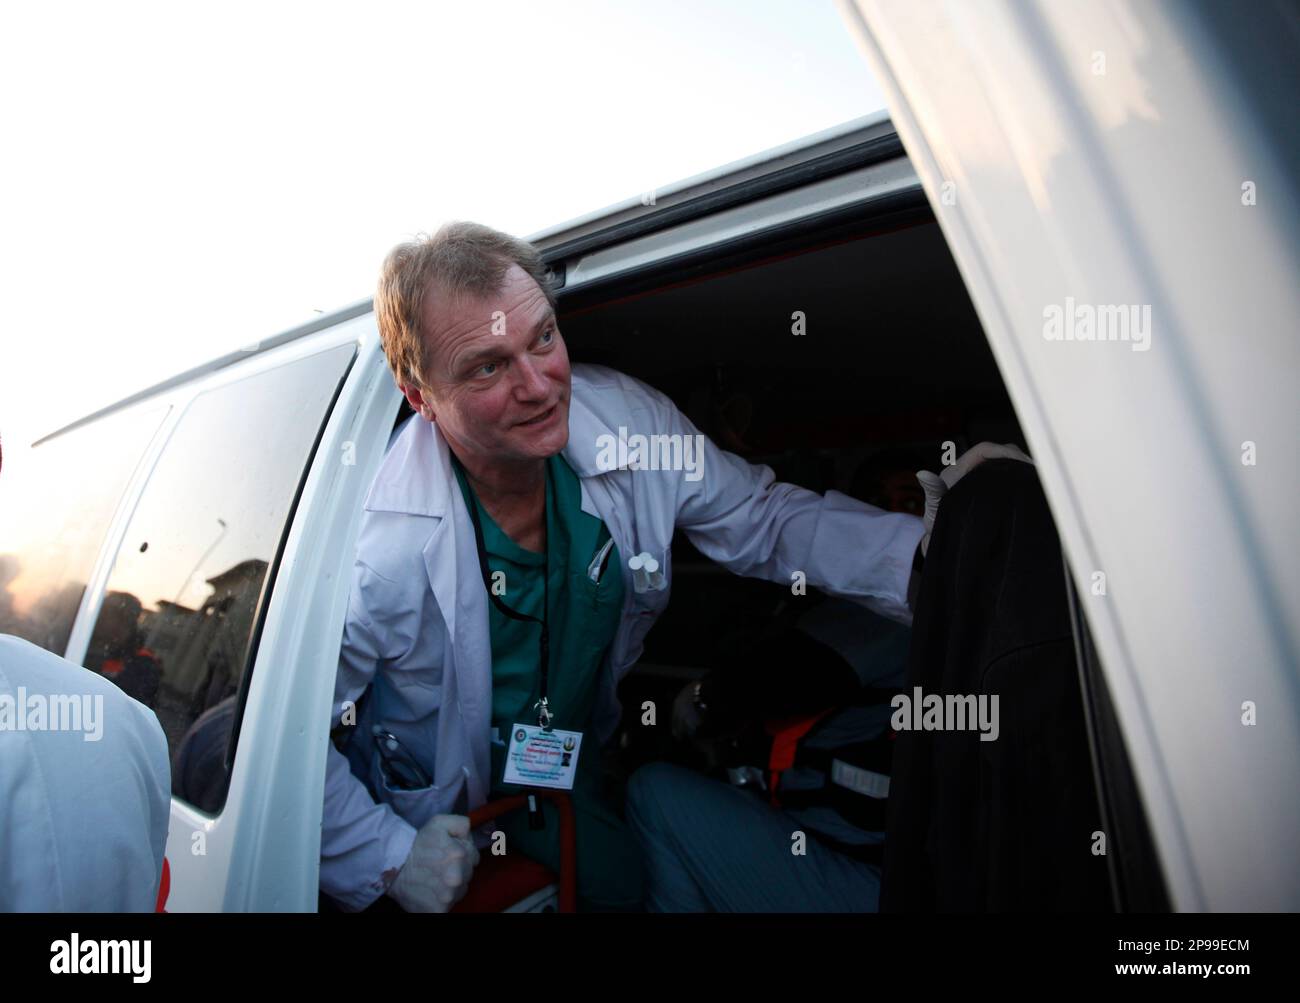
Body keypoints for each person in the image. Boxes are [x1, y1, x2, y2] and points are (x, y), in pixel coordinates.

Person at [318, 221, 999, 913]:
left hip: (566, 758)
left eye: (543, 338)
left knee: (619, 883)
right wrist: (389, 857)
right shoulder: (378, 552)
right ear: (420, 396)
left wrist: (927, 562)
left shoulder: (626, 423)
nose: (540, 386)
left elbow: (763, 519)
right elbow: (290, 746)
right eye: (488, 366)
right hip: (434, 802)